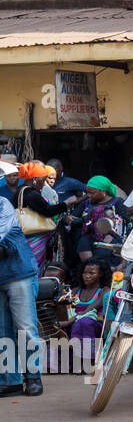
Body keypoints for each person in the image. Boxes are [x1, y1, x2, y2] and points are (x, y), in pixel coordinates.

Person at [0, 195, 41, 397]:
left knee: (25, 328)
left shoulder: (2, 204)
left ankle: (33, 378)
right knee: (2, 332)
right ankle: (10, 382)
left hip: (18, 273)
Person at [6, 162, 76, 270]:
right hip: (33, 237)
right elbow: (48, 211)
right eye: (43, 180)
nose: (44, 184)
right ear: (35, 179)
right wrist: (66, 203)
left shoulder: (20, 191)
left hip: (23, 237)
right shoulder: (31, 194)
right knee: (33, 266)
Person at [62, 255, 114, 361]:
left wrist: (70, 321)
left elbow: (88, 310)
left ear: (101, 274)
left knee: (85, 321)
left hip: (95, 327)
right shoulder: (76, 291)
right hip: (74, 324)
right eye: (85, 273)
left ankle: (87, 360)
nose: (87, 276)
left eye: (92, 273)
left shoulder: (105, 291)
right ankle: (61, 363)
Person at [76, 175, 128, 263]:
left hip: (112, 237)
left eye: (92, 193)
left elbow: (126, 220)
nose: (89, 195)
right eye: (87, 192)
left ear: (103, 191)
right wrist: (68, 219)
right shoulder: (86, 203)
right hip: (89, 240)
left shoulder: (118, 203)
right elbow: (74, 217)